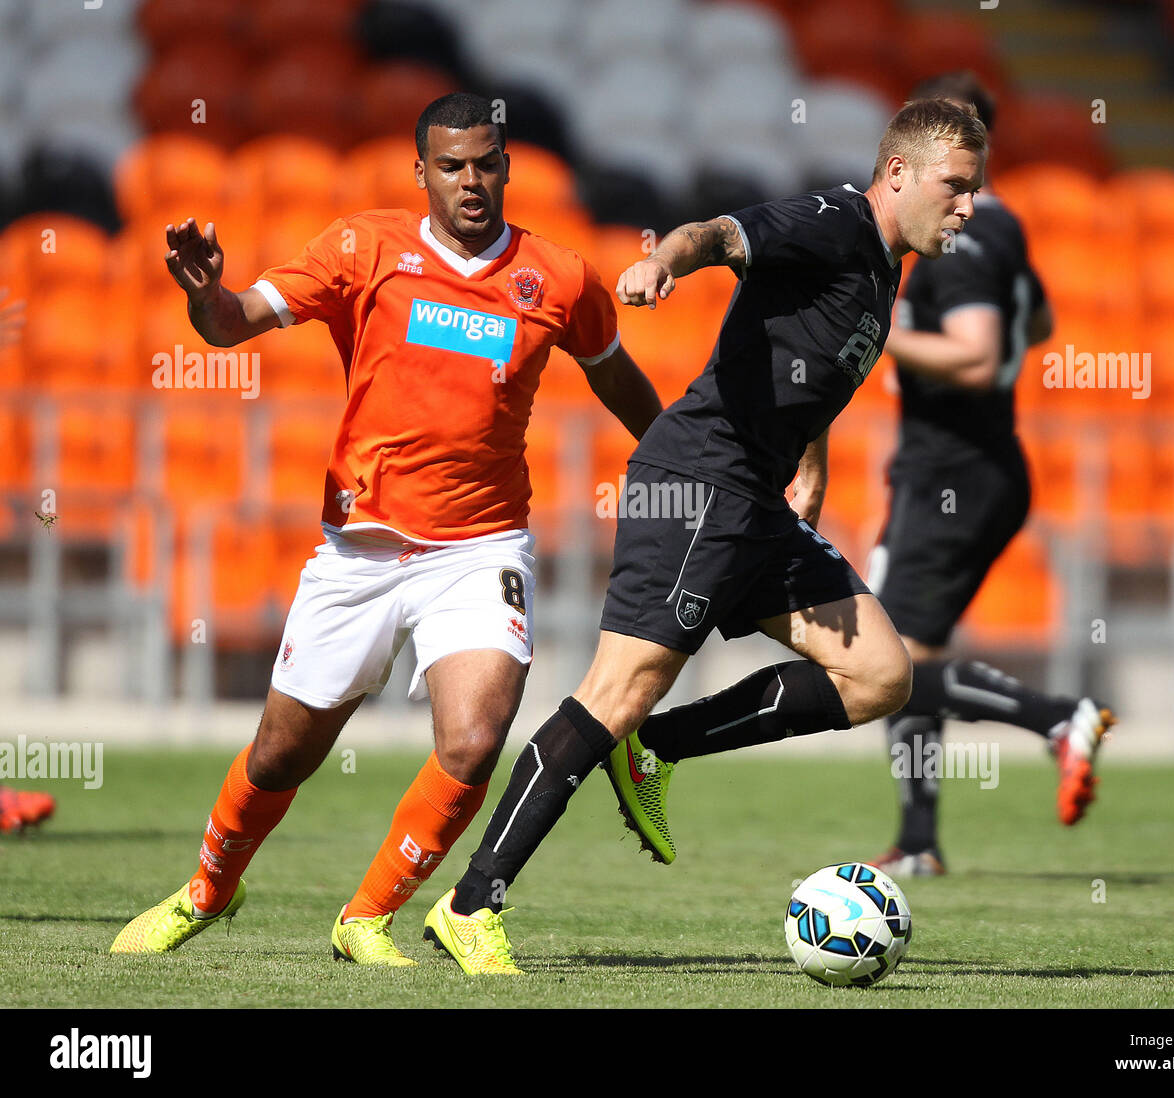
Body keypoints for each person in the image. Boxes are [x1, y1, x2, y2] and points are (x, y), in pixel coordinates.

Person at [420, 97, 984, 975]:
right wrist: (662, 261)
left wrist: (813, 458)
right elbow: (720, 233)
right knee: (615, 692)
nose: (968, 207)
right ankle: (470, 902)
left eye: (975, 191)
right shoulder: (834, 221)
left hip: (756, 498)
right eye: (955, 188)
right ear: (899, 174)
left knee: (880, 674)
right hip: (695, 484)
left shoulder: (883, 266)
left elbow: (801, 356)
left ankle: (659, 748)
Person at [110, 92, 662, 965]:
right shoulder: (363, 247)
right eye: (451, 165)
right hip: (360, 549)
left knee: (475, 738)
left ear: (509, 166)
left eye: (486, 162)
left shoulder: (559, 277)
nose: (471, 181)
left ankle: (366, 918)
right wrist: (206, 293)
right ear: (421, 173)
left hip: (481, 546)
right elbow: (230, 325)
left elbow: (615, 374)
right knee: (280, 757)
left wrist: (676, 456)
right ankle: (208, 890)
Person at [867, 73, 1114, 878]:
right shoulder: (1005, 227)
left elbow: (976, 353)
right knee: (910, 656)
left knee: (886, 664)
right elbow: (1036, 320)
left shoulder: (964, 238)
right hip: (979, 467)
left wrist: (874, 336)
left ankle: (1056, 717)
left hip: (952, 470)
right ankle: (920, 840)